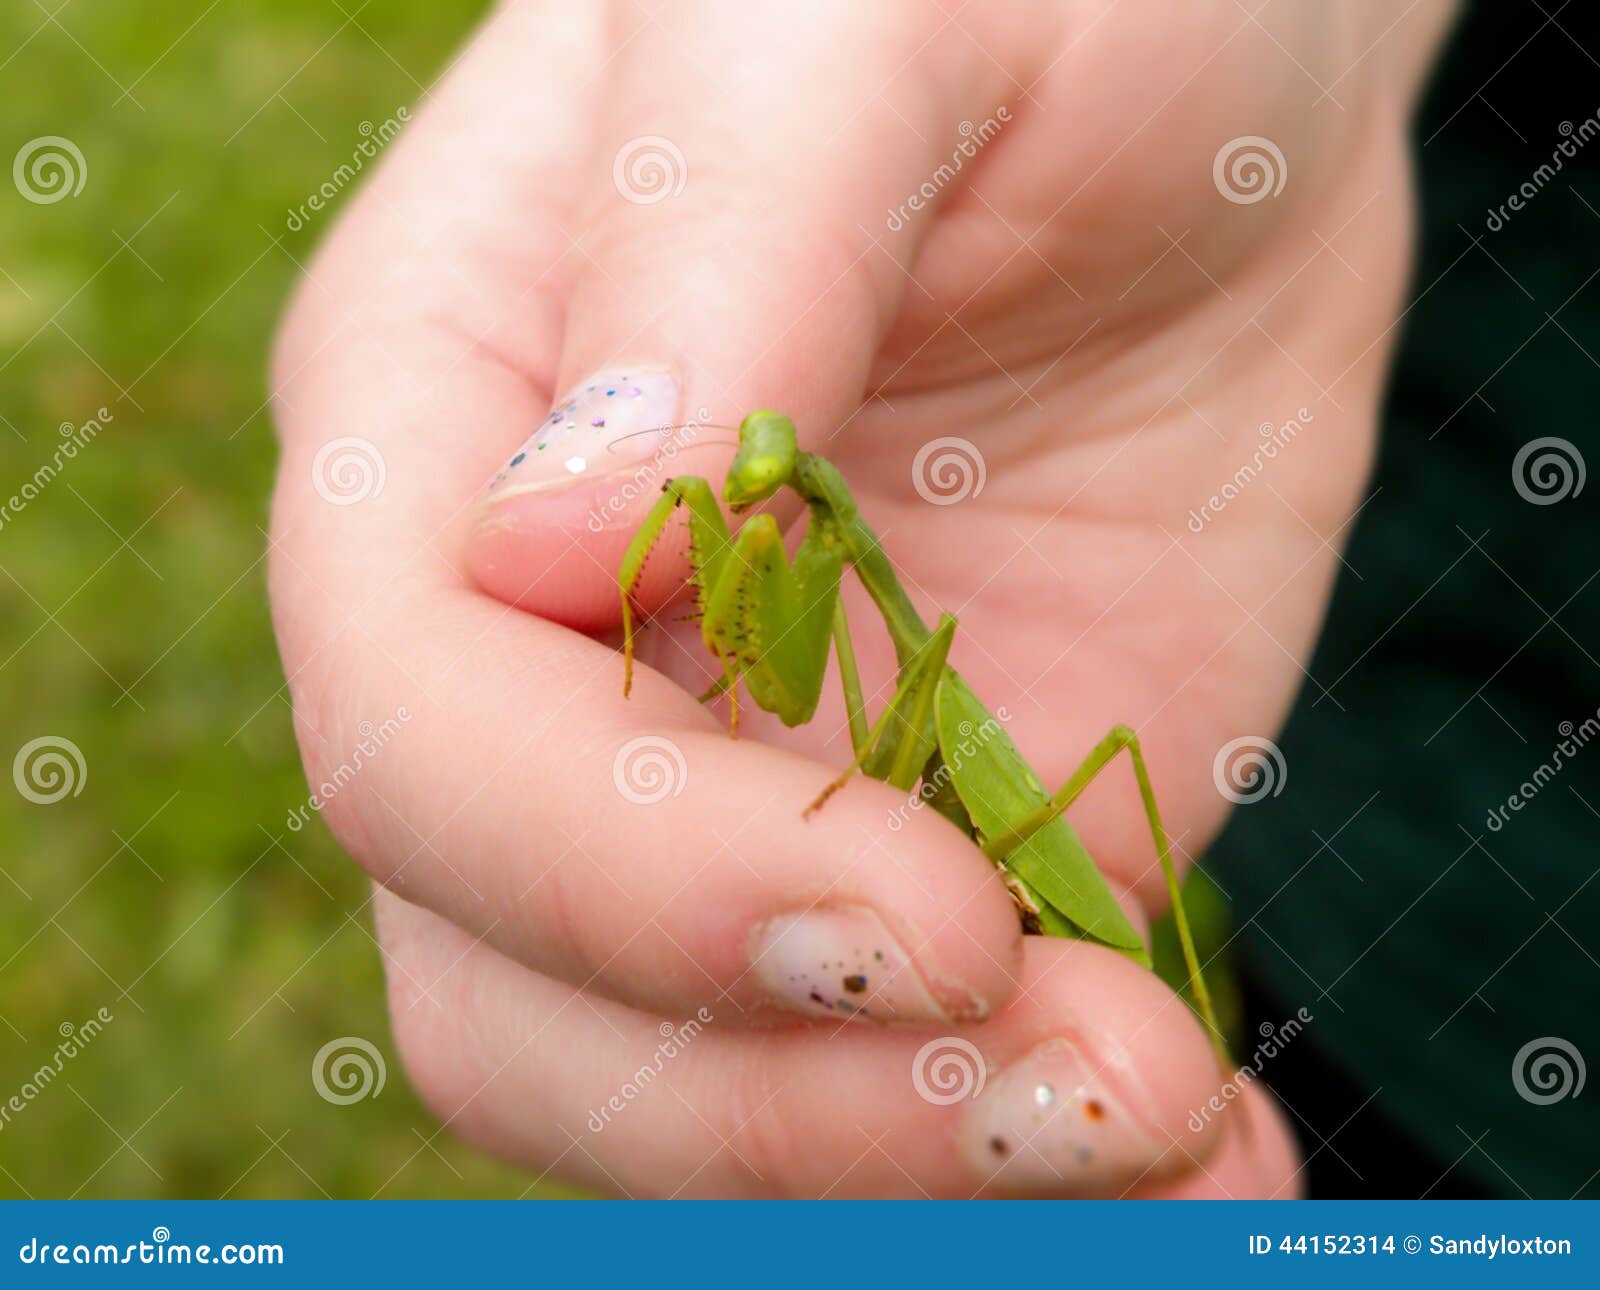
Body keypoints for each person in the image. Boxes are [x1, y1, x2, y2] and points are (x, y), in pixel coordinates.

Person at [269, 1, 1456, 1196]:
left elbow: (817, 672)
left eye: (768, 478)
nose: (737, 491)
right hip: (1380, 978)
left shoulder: (882, 612)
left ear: (810, 494)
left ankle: (1192, 990)